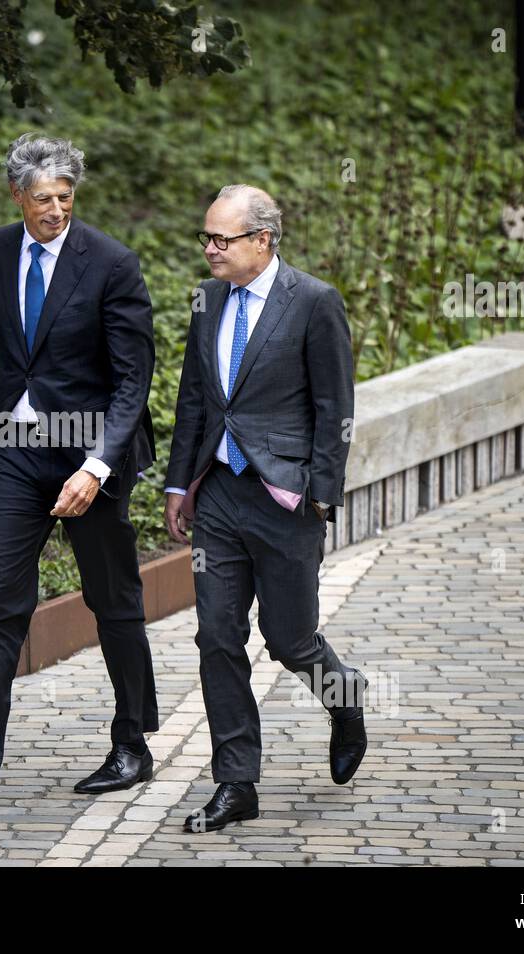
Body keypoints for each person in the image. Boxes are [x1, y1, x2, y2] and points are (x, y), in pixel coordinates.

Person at [0, 133, 159, 814]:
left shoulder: (111, 262)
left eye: (65, 196)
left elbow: (135, 380)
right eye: (42, 197)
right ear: (17, 195)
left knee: (113, 598)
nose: (55, 209)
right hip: (15, 448)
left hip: (88, 449)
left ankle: (132, 742)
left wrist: (98, 467)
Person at [164, 185, 369, 833]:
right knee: (217, 636)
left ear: (264, 240)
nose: (210, 249)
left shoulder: (313, 302)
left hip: (286, 498)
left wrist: (322, 494)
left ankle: (345, 698)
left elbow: (336, 408)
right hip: (220, 492)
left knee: (289, 638)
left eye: (222, 239)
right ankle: (236, 781)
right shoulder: (208, 298)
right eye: (206, 237)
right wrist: (178, 485)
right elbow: (193, 396)